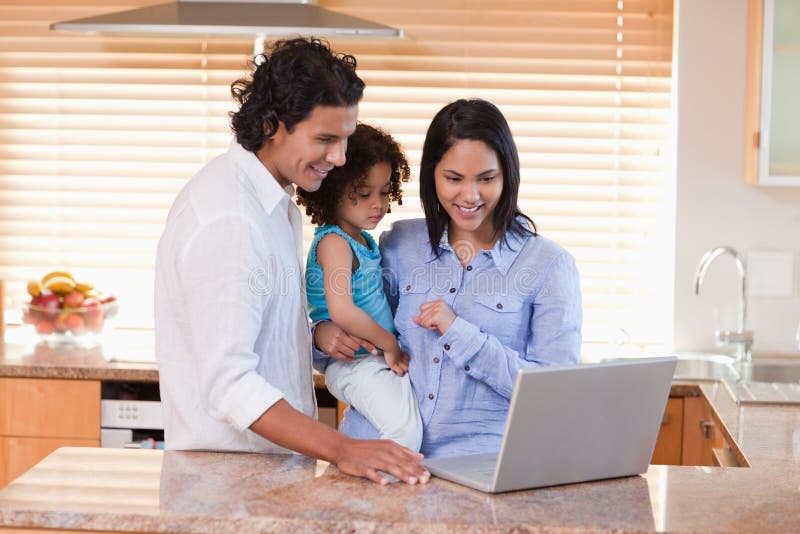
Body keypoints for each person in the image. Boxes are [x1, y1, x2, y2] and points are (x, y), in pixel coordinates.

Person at [154, 37, 429, 485]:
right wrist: (343, 448)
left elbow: (263, 328)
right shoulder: (230, 220)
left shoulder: (273, 201)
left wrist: (317, 334)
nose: (339, 158)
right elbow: (230, 385)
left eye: (345, 139)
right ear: (270, 124)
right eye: (325, 139)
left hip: (270, 474)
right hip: (230, 487)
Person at [314, 99, 582, 458]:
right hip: (371, 456)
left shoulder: (549, 265)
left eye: (486, 178)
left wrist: (461, 333)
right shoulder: (397, 244)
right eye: (453, 178)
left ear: (507, 175)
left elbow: (554, 395)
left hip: (475, 471)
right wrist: (321, 335)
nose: (469, 195)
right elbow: (360, 329)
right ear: (432, 176)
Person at [296, 123, 422, 452]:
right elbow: (343, 311)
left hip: (368, 360)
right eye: (364, 194)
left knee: (406, 425)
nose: (378, 203)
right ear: (332, 190)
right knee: (404, 433)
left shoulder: (360, 239)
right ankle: (385, 494)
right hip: (355, 362)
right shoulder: (335, 242)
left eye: (384, 191)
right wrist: (389, 343)